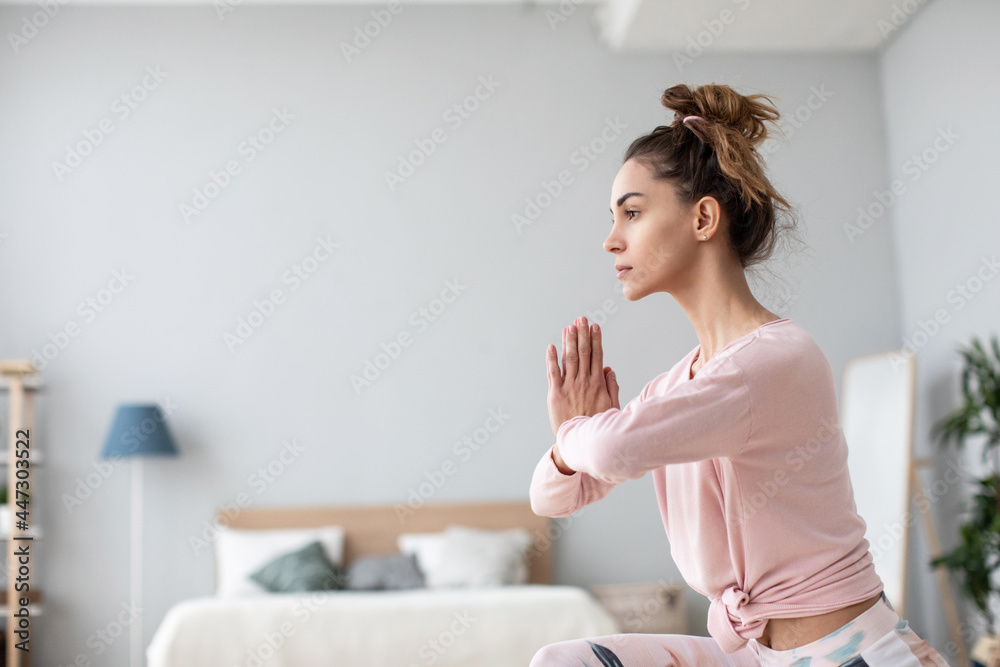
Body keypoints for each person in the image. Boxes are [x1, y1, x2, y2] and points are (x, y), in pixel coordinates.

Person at [527, 83, 949, 667]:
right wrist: (577, 441)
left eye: (632, 212)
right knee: (564, 660)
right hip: (756, 657)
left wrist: (581, 432)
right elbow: (553, 497)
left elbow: (614, 448)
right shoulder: (679, 388)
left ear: (703, 218)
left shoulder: (776, 360)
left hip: (852, 655)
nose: (611, 240)